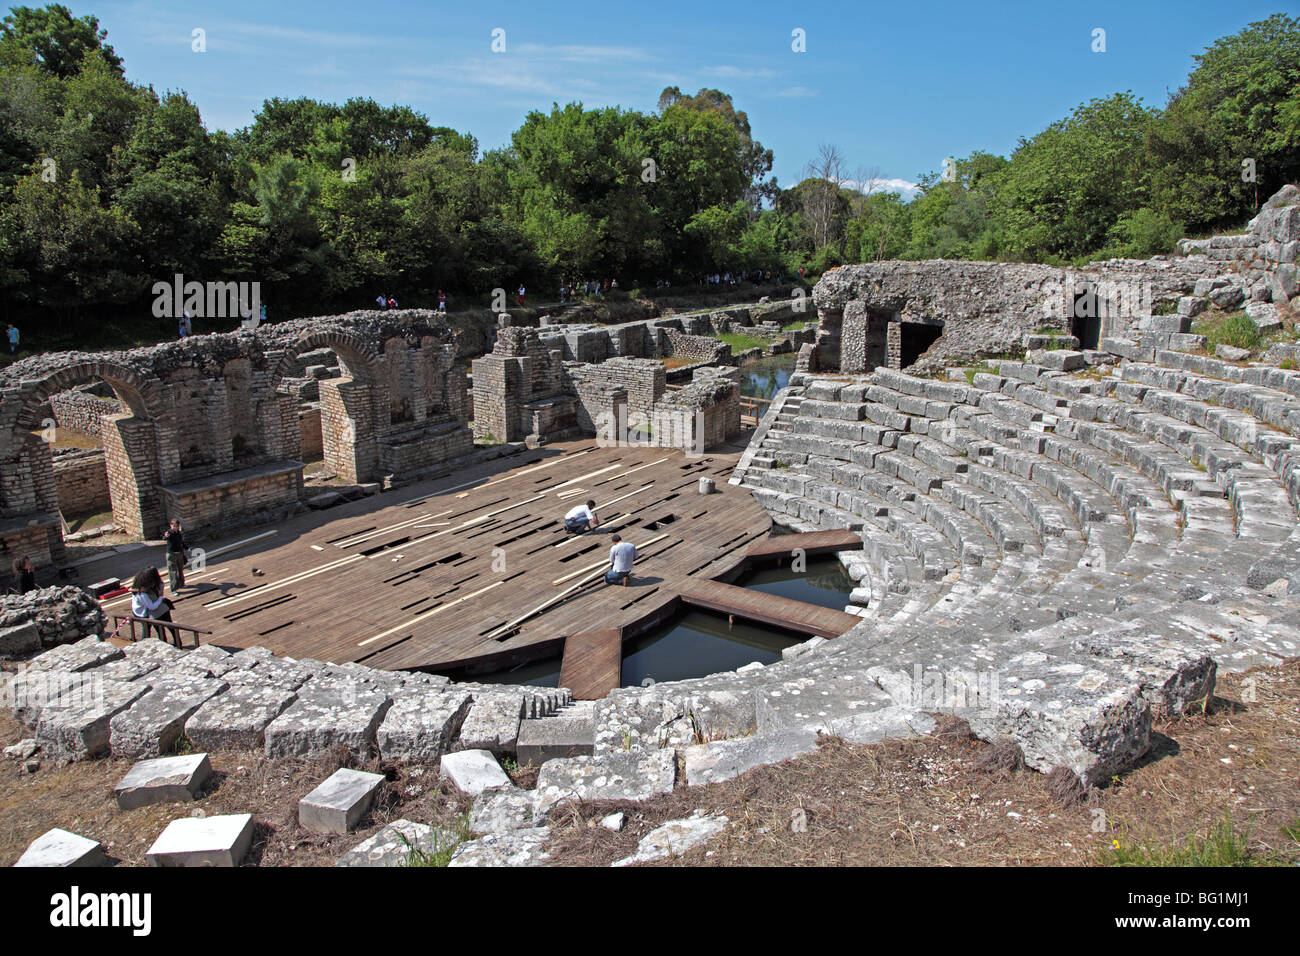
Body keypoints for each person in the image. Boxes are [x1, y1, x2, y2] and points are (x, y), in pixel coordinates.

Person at [130, 567, 173, 643]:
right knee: (148, 628)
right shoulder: (142, 594)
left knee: (150, 628)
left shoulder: (140, 588)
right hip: (143, 613)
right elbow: (151, 606)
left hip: (142, 611)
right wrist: (160, 598)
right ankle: (146, 643)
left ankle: (147, 642)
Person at [163, 518, 187, 591]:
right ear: (171, 526)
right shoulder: (169, 533)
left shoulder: (179, 533)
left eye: (177, 526)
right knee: (173, 572)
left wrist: (187, 548)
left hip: (179, 554)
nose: (175, 528)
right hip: (171, 555)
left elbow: (181, 543)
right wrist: (166, 536)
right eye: (174, 526)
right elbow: (165, 537)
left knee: (180, 570)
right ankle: (174, 588)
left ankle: (182, 584)